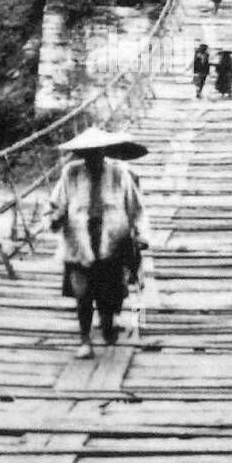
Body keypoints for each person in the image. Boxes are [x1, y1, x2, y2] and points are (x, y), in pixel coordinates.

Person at [46, 127, 151, 360]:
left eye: (98, 153)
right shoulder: (70, 174)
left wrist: (140, 235)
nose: (94, 158)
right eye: (89, 154)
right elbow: (55, 204)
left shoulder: (119, 174)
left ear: (105, 152)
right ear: (82, 155)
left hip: (113, 240)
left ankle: (107, 321)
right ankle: (84, 340)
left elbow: (136, 208)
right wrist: (55, 218)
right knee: (83, 295)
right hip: (78, 241)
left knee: (107, 294)